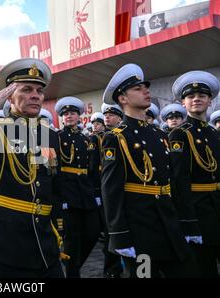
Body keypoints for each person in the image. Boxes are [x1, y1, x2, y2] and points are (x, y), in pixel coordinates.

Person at [0, 58, 66, 278]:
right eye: (26, 89)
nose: (35, 95)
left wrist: (59, 228)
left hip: (43, 241)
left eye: (39, 90)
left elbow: (52, 185)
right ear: (9, 96)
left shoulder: (49, 135)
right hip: (3, 242)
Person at [101, 64, 197, 278]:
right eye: (137, 88)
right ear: (123, 99)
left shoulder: (159, 134)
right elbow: (111, 191)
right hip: (140, 229)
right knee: (145, 276)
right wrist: (119, 235)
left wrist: (186, 222)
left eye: (145, 86)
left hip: (168, 222)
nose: (146, 90)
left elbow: (173, 181)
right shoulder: (116, 137)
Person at [169, 71, 220, 277]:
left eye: (201, 96)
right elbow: (179, 180)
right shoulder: (179, 134)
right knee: (205, 268)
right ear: (183, 103)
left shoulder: (214, 133)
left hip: (217, 203)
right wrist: (188, 221)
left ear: (210, 101)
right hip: (199, 210)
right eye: (190, 96)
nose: (196, 99)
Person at [55, 97, 101, 278]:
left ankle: (71, 263)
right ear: (61, 117)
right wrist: (60, 197)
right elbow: (54, 169)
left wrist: (96, 192)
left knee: (93, 231)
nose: (69, 116)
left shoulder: (87, 139)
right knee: (72, 238)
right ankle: (73, 273)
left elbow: (93, 169)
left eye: (72, 113)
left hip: (86, 190)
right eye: (65, 114)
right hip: (67, 191)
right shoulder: (56, 138)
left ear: (79, 116)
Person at [89, 111, 123, 278]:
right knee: (111, 230)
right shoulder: (97, 139)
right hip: (105, 188)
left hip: (124, 189)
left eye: (98, 122)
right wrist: (96, 191)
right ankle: (112, 269)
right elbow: (93, 166)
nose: (96, 125)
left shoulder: (120, 135)